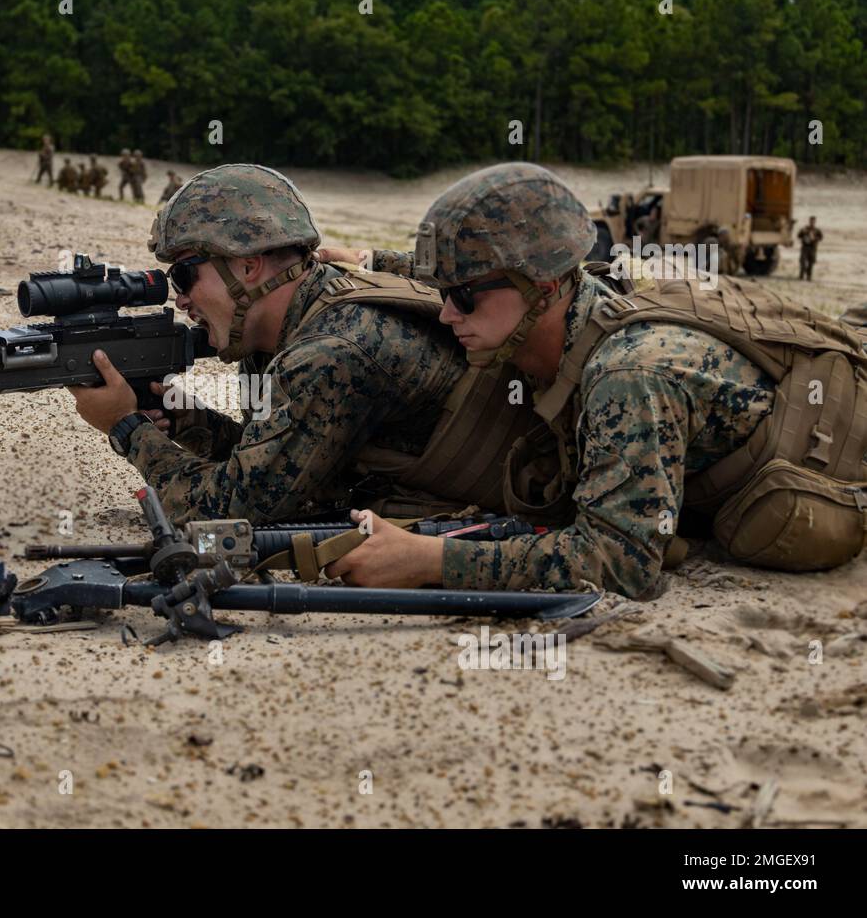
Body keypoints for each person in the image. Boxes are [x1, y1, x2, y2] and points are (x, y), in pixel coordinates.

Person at [325, 162, 867, 596]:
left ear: (544, 286)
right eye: (443, 295)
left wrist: (429, 560)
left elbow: (620, 562)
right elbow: (481, 273)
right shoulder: (583, 300)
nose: (447, 315)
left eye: (463, 297)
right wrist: (371, 262)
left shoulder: (628, 376)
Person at [64, 164, 541, 525]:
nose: (180, 297)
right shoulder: (283, 322)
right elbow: (280, 459)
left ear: (248, 266)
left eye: (185, 274)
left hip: (530, 498)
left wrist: (126, 428)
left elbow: (233, 510)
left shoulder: (331, 351)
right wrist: (181, 416)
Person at [798, 216, 824, 281]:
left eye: (813, 221)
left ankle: (809, 276)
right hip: (805, 247)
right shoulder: (805, 229)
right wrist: (803, 233)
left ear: (815, 222)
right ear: (809, 221)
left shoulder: (817, 230)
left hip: (812, 248)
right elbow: (799, 236)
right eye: (811, 221)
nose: (812, 222)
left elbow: (821, 238)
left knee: (811, 263)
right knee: (802, 262)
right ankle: (801, 274)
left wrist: (814, 238)